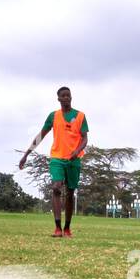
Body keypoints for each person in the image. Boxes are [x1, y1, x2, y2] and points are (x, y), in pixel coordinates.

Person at [20, 86, 88, 238]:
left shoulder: (80, 116)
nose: (66, 98)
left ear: (71, 97)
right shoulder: (53, 116)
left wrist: (77, 151)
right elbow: (40, 136)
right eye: (63, 96)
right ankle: (57, 228)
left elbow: (85, 138)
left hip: (74, 160)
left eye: (68, 95)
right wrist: (26, 154)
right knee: (56, 187)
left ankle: (67, 228)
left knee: (70, 193)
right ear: (58, 99)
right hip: (57, 158)